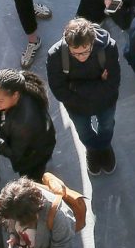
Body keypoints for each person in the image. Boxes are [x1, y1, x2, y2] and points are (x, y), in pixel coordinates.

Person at [48, 17, 122, 174]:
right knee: (84, 131)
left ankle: (104, 147)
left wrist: (75, 87)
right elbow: (59, 90)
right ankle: (92, 150)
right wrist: (99, 84)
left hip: (104, 102)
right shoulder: (55, 56)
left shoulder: (108, 48)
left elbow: (113, 82)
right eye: (75, 53)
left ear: (92, 41)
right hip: (77, 106)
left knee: (106, 127)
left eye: (85, 51)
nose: (81, 56)